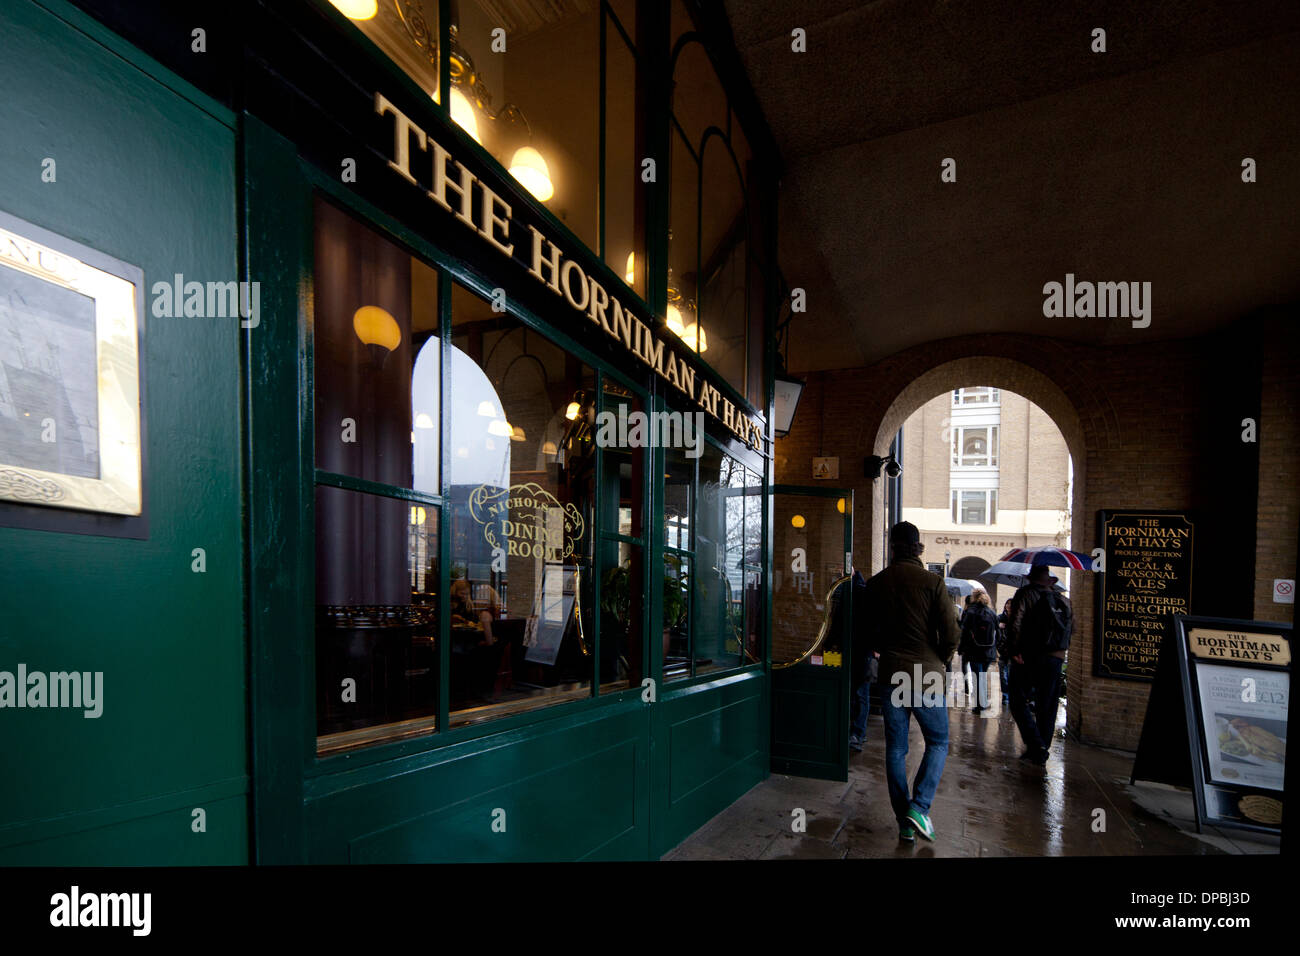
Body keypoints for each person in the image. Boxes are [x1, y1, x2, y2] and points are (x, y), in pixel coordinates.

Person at [862, 521, 960, 843]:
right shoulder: (933, 583)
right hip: (925, 674)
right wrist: (942, 658)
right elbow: (951, 634)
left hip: (892, 673)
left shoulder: (877, 584)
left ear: (892, 547)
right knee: (938, 742)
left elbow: (868, 630)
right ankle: (919, 807)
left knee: (896, 750)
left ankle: (905, 823)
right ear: (918, 548)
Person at [1004, 566, 1073, 765]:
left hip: (1030, 655)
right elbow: (1072, 628)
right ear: (1049, 580)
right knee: (1048, 705)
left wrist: (1014, 650)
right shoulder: (1063, 600)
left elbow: (1015, 624)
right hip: (1056, 657)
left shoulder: (1025, 594)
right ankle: (1041, 748)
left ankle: (1036, 746)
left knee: (1018, 701)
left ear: (1030, 578)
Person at [833, 569, 878, 753]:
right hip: (861, 650)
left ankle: (857, 733)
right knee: (860, 693)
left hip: (856, 650)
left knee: (859, 693)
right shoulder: (854, 590)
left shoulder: (850, 591)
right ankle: (858, 732)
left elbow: (838, 621)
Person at [957, 591, 999, 712]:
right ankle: (983, 702)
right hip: (988, 651)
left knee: (977, 676)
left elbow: (964, 633)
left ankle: (979, 705)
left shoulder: (971, 612)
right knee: (982, 676)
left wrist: (961, 648)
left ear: (973, 598)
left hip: (974, 650)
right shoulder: (992, 613)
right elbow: (998, 634)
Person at [996, 599, 1013, 705]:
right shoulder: (1000, 618)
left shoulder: (1017, 618)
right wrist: (998, 626)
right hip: (1002, 651)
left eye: (1011, 604)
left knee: (1011, 675)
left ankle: (1011, 696)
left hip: (1012, 652)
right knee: (1003, 676)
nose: (1008, 605)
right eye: (1007, 603)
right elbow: (992, 627)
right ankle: (1005, 696)